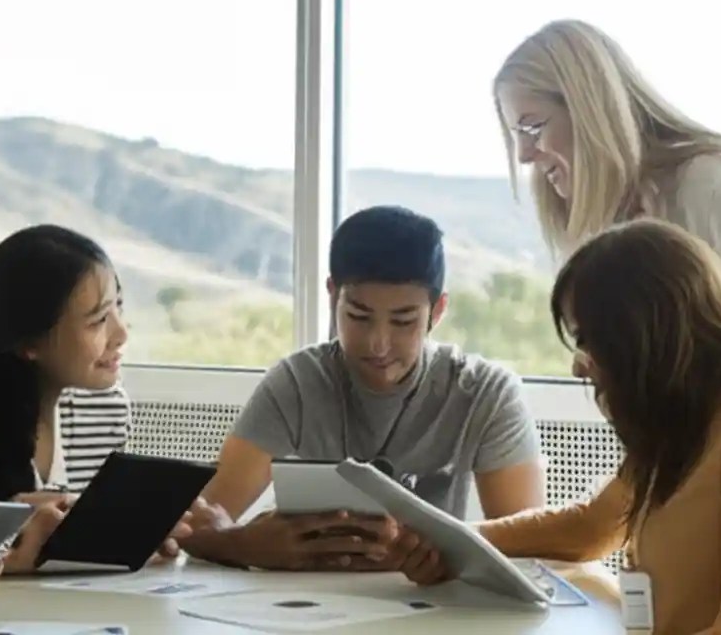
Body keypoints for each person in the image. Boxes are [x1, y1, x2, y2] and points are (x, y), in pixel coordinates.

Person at [409, 219, 721, 632]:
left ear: (642, 337)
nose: (581, 368)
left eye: (587, 341)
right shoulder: (682, 426)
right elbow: (589, 529)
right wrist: (451, 540)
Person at [183, 206, 546, 571]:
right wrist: (244, 544)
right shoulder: (296, 383)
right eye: (358, 317)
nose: (378, 344)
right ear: (331, 296)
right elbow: (198, 521)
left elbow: (530, 551)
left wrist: (444, 556)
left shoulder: (486, 393)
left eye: (404, 321)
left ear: (437, 311)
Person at [0, 224, 190, 571]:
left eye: (119, 307)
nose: (122, 333)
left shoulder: (103, 406)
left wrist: (128, 537)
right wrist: (10, 554)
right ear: (29, 344)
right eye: (99, 319)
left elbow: (74, 556)